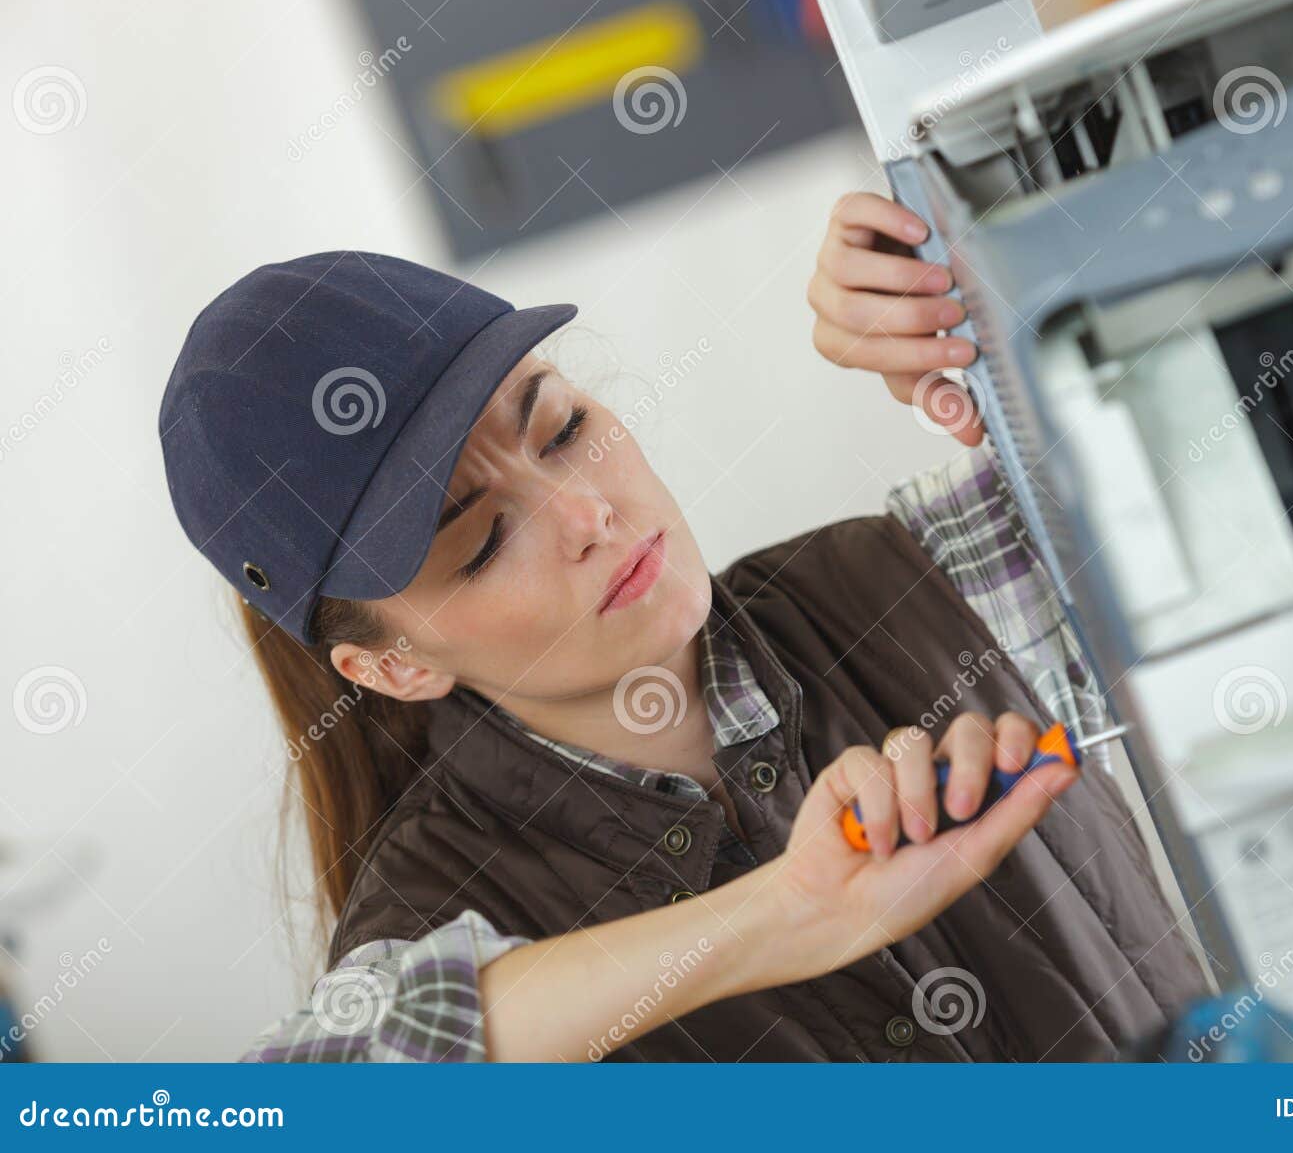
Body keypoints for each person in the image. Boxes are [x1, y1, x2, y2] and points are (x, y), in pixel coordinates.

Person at [158, 192, 1206, 1062]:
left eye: (564, 429)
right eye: (479, 542)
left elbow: (1245, 397)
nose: (586, 515)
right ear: (388, 663)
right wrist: (781, 915)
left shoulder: (921, 581)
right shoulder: (424, 930)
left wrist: (977, 287)